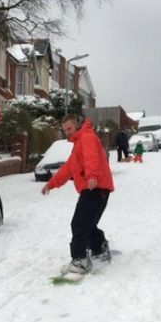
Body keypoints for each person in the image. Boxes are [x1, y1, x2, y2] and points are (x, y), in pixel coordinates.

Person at [41, 114, 115, 275]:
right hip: (95, 187)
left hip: (96, 186)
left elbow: (92, 159)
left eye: (69, 128)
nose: (67, 132)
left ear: (77, 125)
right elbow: (68, 169)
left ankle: (80, 260)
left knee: (79, 223)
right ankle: (100, 249)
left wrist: (92, 176)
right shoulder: (79, 142)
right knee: (87, 223)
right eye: (64, 130)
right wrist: (51, 184)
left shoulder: (86, 137)